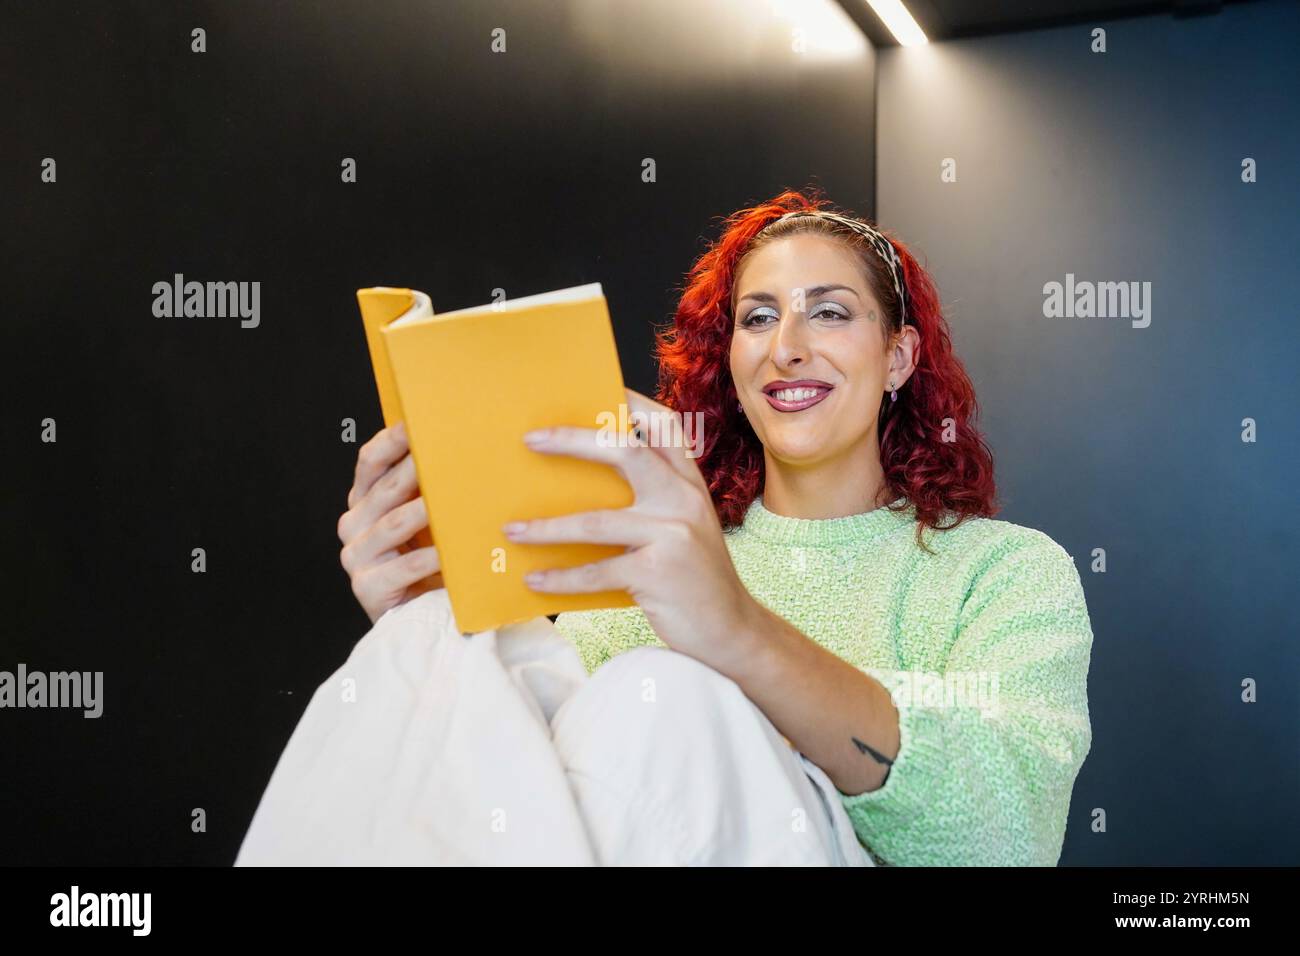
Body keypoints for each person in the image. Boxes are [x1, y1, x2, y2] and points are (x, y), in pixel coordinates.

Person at [239, 189, 1094, 867]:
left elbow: (1005, 841)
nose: (786, 346)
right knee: (417, 644)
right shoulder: (644, 566)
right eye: (758, 318)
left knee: (669, 693)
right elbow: (524, 806)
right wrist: (438, 617)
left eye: (828, 312)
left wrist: (732, 630)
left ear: (900, 357)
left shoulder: (1003, 574)